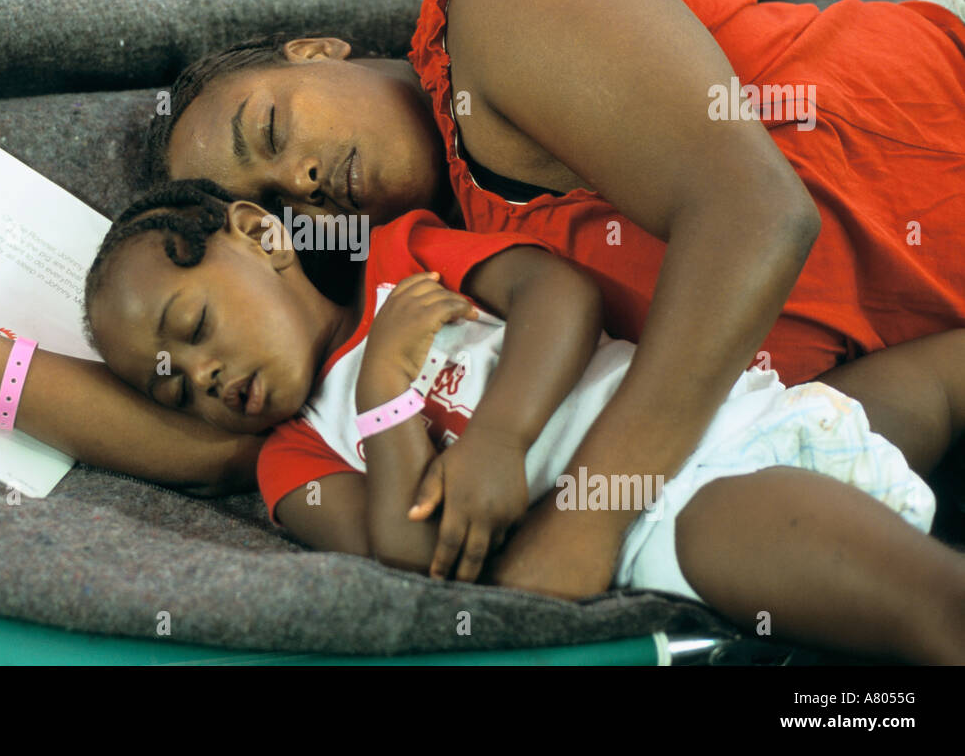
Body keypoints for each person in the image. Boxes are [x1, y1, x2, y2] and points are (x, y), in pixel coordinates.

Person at [145, 0, 965, 597]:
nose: (304, 181)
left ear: (317, 51)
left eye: (274, 131)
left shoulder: (499, 8)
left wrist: (589, 520)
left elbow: (756, 213)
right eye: (281, 206)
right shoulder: (458, 287)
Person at [77, 179, 961, 664]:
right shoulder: (294, 456)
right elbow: (410, 555)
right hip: (689, 511)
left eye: (192, 330)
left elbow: (557, 295)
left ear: (257, 235)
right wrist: (385, 394)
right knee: (932, 604)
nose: (203, 375)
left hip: (742, 401)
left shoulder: (404, 254)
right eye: (175, 389)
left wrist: (498, 437)